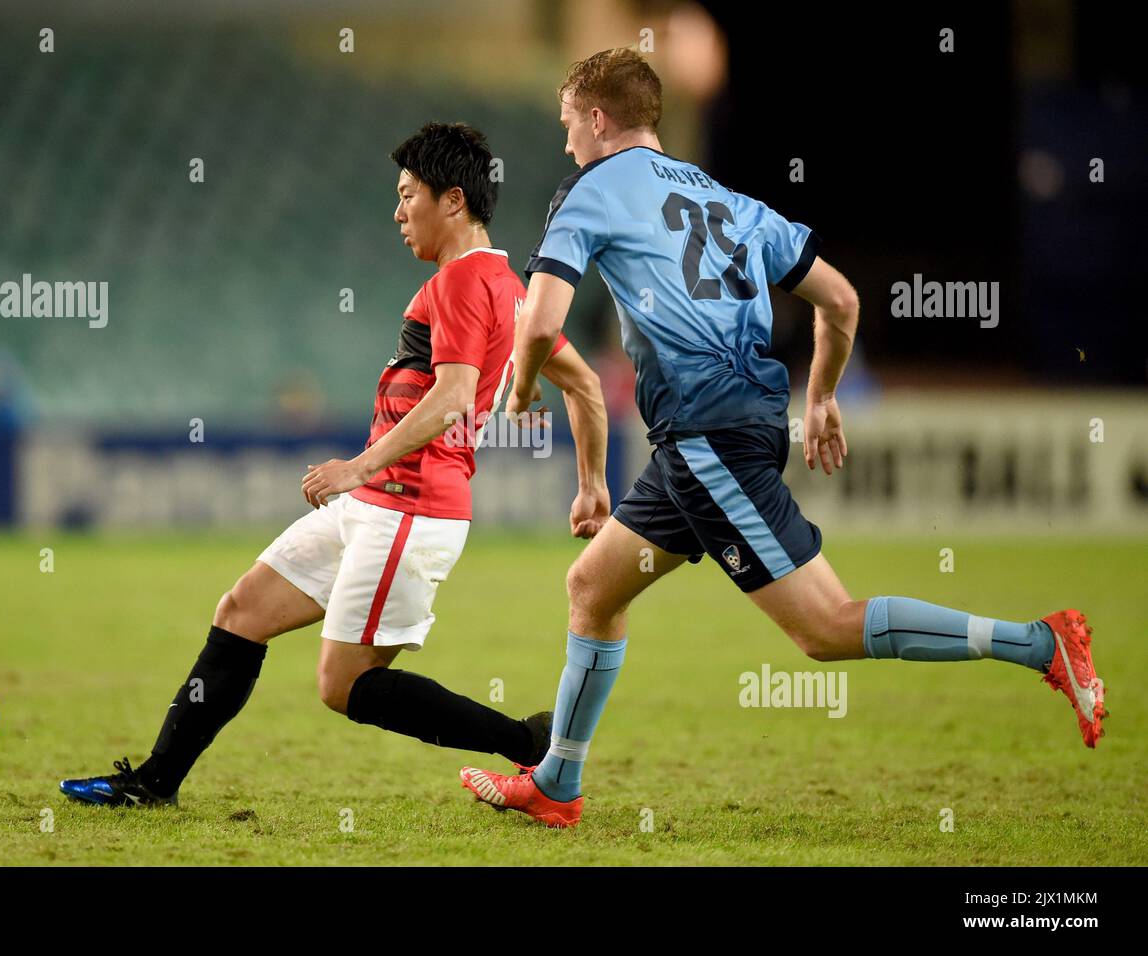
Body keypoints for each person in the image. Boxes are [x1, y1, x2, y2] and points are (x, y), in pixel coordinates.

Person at [459, 49, 1105, 829]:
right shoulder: (732, 202)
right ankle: (558, 784)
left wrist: (521, 388)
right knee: (593, 590)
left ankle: (1041, 643)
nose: (566, 144)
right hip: (711, 438)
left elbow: (542, 318)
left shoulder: (591, 190)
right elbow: (839, 298)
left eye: (569, 125)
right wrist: (823, 394)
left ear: (597, 119)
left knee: (825, 629)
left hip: (708, 439)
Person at [60, 122, 611, 807]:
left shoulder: (463, 284)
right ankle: (154, 784)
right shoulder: (514, 290)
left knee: (342, 685)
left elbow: (454, 396)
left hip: (407, 506)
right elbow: (585, 386)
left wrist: (357, 465)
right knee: (243, 609)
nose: (398, 211)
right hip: (379, 503)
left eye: (409, 195)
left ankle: (528, 743)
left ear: (454, 201)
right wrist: (591, 485)